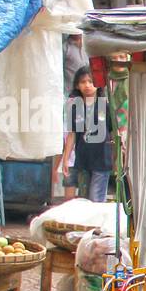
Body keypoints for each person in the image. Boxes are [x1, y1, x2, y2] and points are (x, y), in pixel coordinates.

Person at [57, 67, 112, 202]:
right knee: (84, 200)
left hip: (102, 160)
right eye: (83, 82)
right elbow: (72, 135)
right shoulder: (75, 107)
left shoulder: (106, 105)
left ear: (99, 84)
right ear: (77, 85)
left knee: (96, 199)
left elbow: (113, 132)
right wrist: (66, 158)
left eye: (91, 81)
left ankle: (98, 224)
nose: (87, 85)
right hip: (82, 161)